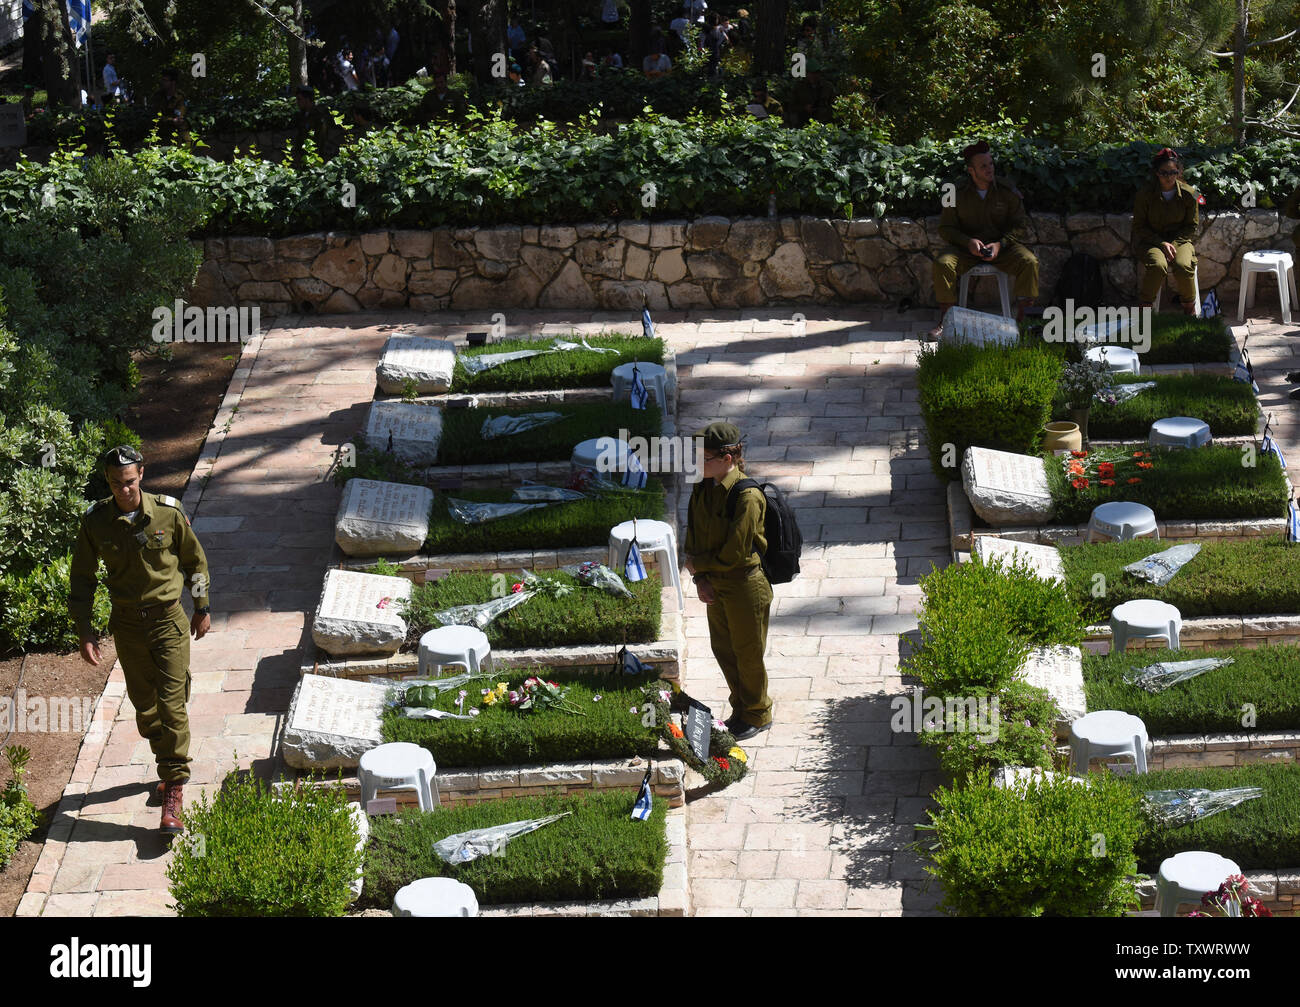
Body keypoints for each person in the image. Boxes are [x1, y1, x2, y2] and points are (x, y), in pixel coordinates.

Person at [69, 446, 212, 834]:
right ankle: (167, 766)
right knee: (146, 708)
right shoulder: (96, 522)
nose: (124, 490)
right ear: (108, 482)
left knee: (170, 703)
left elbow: (194, 561)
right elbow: (81, 578)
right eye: (116, 484)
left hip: (168, 622)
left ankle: (173, 791)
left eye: (129, 482)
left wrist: (202, 606)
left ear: (142, 475)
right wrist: (85, 630)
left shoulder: (167, 511)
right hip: (128, 627)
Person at [683, 422, 773, 741]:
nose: (695, 463)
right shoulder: (703, 486)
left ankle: (758, 713)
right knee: (724, 649)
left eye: (703, 457)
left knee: (748, 652)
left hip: (744, 585)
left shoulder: (747, 497)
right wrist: (701, 579)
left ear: (727, 457)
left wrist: (698, 566)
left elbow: (735, 551)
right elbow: (693, 532)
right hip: (716, 582)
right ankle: (742, 709)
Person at [930, 139, 1039, 337]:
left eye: (991, 164)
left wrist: (1000, 244)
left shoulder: (1007, 189)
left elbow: (1020, 225)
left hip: (1002, 249)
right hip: (965, 250)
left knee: (1029, 262)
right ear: (971, 171)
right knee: (943, 263)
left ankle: (1024, 322)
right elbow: (945, 228)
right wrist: (967, 242)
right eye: (983, 166)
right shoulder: (953, 191)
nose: (989, 169)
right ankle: (947, 321)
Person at [1133, 147, 1200, 315]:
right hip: (1152, 241)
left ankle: (1189, 308)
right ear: (1156, 172)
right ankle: (1145, 310)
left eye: (1173, 172)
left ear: (1179, 172)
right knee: (1158, 265)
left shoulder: (1190, 194)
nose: (1169, 177)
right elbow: (1139, 227)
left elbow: (1191, 226)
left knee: (1183, 265)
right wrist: (1161, 243)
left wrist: (1173, 244)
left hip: (1180, 240)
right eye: (1164, 173)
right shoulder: (1145, 195)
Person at [291, 85, 332, 166]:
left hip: (315, 160)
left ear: (307, 99)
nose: (297, 102)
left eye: (299, 99)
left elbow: (321, 140)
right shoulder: (300, 116)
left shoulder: (319, 116)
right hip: (303, 159)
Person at [150, 69, 190, 147]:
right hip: (162, 132)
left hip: (179, 132)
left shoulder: (181, 97)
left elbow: (180, 118)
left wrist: (174, 120)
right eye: (162, 80)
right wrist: (172, 120)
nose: (162, 82)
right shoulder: (158, 96)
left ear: (173, 82)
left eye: (165, 80)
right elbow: (156, 116)